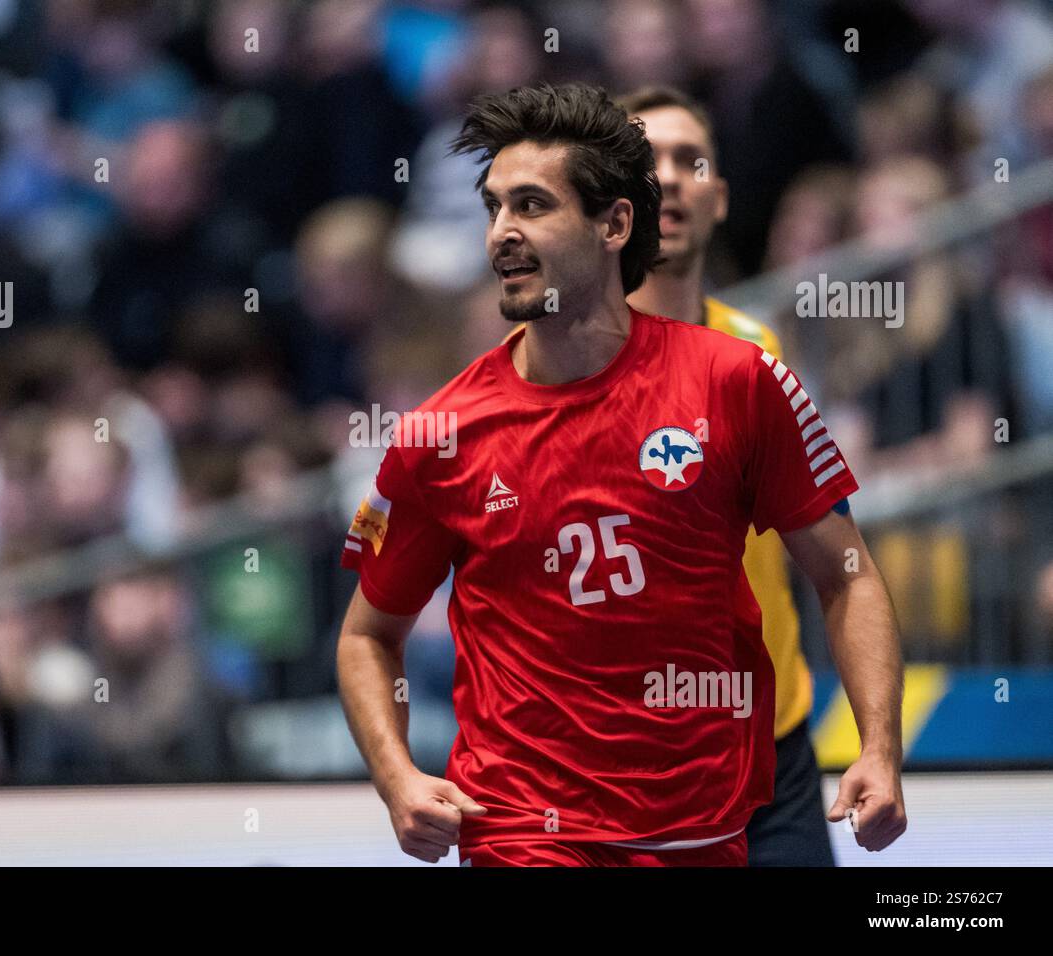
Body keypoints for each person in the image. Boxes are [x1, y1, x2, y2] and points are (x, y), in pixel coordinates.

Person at [336, 83, 906, 866]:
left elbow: (848, 576)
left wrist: (879, 747)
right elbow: (367, 634)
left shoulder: (739, 379)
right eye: (494, 207)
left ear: (614, 223)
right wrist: (396, 777)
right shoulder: (438, 434)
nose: (502, 232)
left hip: (703, 828)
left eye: (532, 205)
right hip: (521, 836)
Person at [618, 85, 834, 865]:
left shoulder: (758, 349)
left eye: (690, 161)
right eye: (645, 161)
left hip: (773, 755)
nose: (669, 178)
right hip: (625, 765)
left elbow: (833, 553)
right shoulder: (555, 363)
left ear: (719, 198)